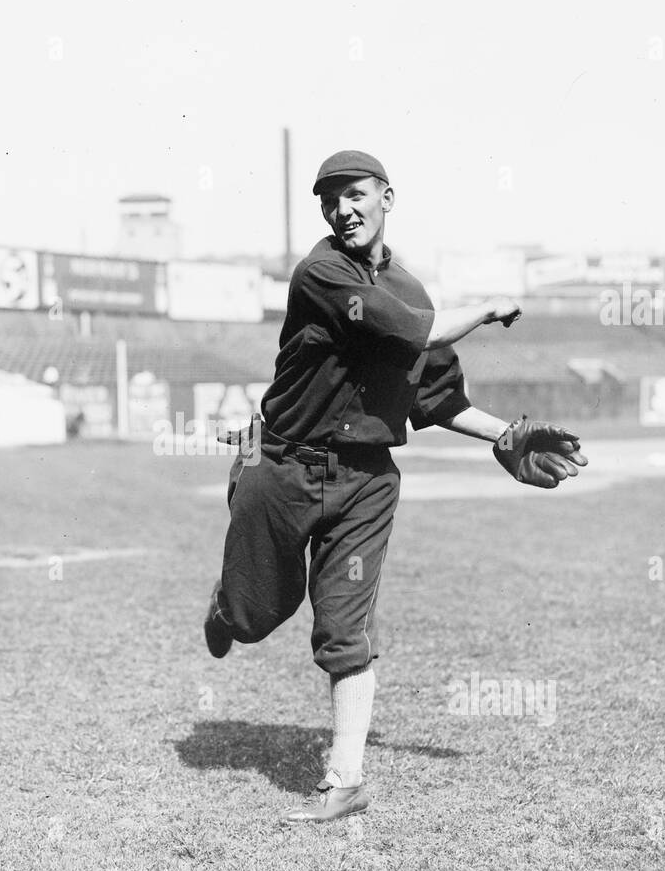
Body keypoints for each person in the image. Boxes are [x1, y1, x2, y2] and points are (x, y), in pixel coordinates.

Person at [203, 150, 588, 824]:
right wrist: (491, 306)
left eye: (355, 194)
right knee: (257, 612)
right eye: (330, 200)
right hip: (284, 466)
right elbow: (422, 329)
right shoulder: (322, 272)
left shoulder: (409, 289)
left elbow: (435, 401)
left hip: (364, 480)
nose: (342, 209)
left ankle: (345, 780)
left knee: (344, 630)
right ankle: (231, 605)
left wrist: (507, 435)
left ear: (387, 196)